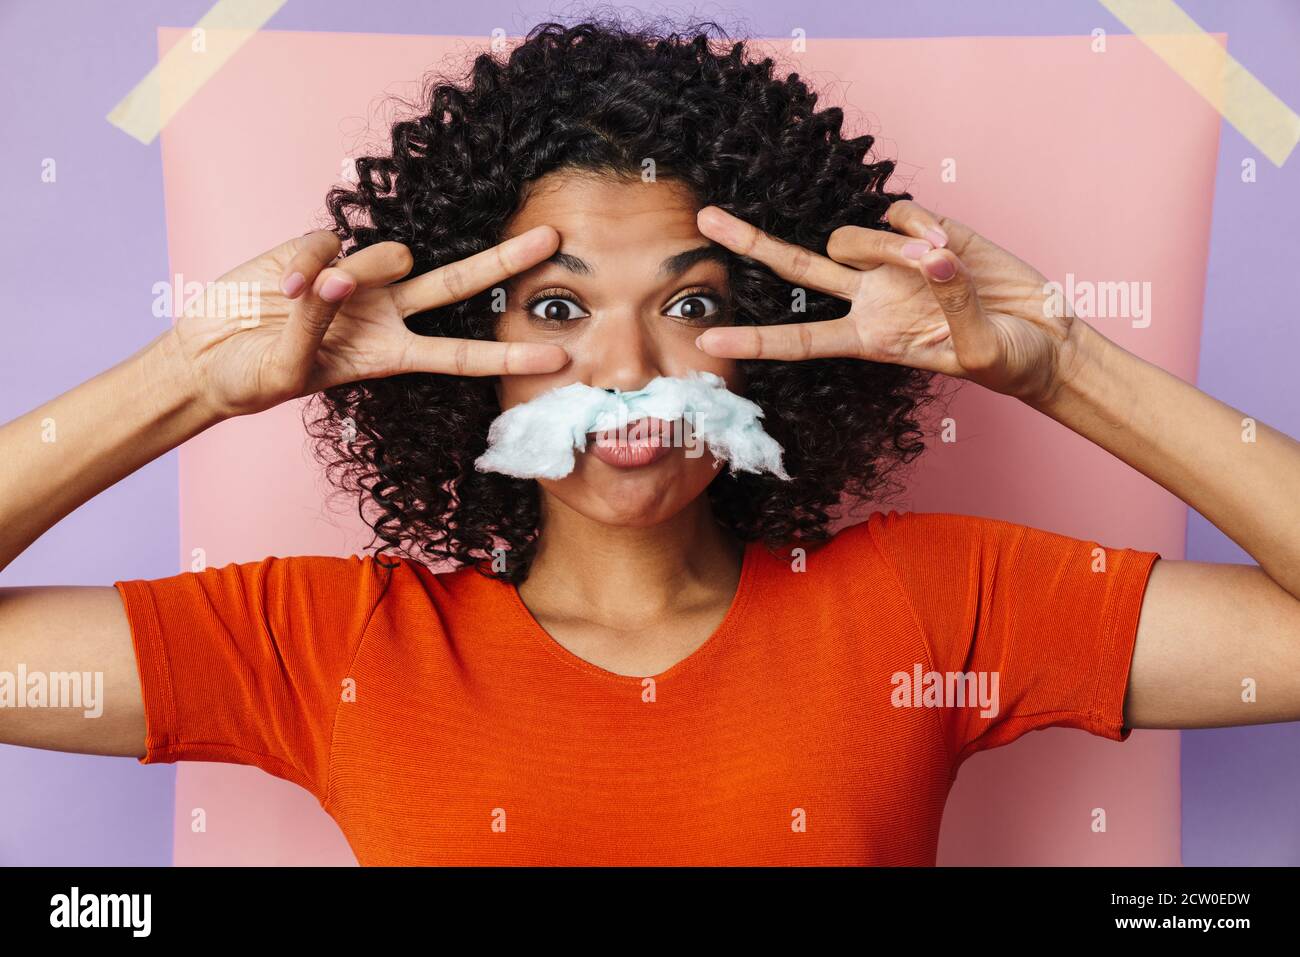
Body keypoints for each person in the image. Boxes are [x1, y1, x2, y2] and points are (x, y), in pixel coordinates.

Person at [1, 19, 1297, 866]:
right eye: (556, 307)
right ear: (470, 344)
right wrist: (190, 380)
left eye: (690, 305)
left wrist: (1066, 362)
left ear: (768, 339)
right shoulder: (338, 645)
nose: (627, 372)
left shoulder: (923, 605)